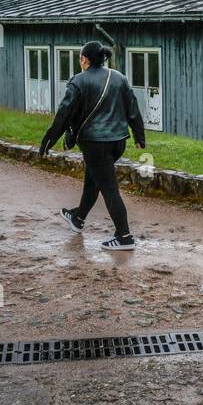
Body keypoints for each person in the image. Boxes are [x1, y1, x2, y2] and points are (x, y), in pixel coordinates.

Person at [39, 41, 146, 250]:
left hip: (96, 144)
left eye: (80, 58)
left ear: (84, 59)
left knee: (109, 188)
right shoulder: (119, 78)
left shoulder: (78, 81)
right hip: (118, 142)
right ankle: (78, 218)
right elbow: (133, 109)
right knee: (93, 179)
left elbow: (64, 113)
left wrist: (49, 139)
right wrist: (139, 136)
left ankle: (124, 237)